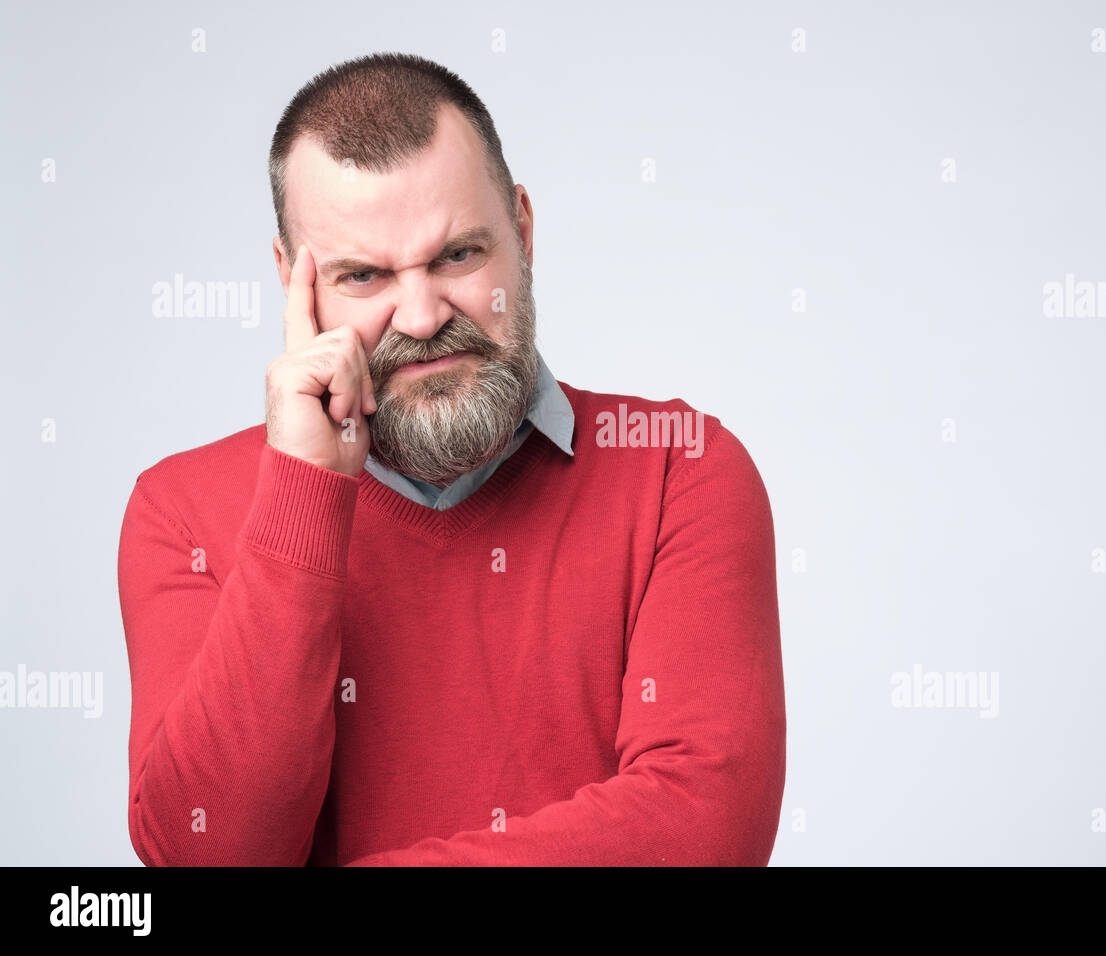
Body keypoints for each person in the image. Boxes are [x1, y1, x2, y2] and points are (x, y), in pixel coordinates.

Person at [117, 51, 785, 866]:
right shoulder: (179, 511)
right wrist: (303, 495)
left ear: (524, 234)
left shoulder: (679, 469)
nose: (424, 316)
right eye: (365, 276)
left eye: (458, 257)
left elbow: (704, 830)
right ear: (295, 284)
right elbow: (209, 853)